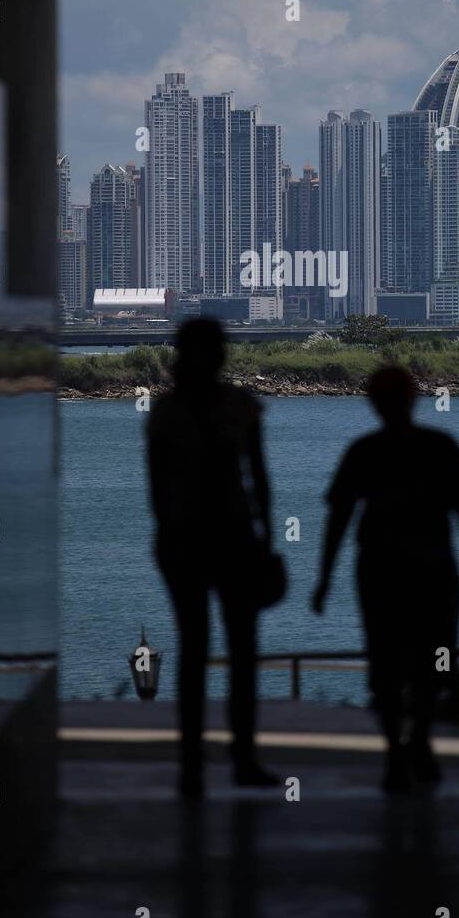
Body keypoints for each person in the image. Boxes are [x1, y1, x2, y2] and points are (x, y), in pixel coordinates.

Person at [311, 365, 459, 792]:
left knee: (385, 662)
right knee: (434, 660)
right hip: (433, 570)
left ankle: (396, 751)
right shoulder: (441, 446)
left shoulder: (364, 451)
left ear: (372, 403)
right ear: (415, 398)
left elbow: (338, 518)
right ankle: (420, 742)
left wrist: (324, 579)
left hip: (380, 572)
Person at [146, 318, 279, 797]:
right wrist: (265, 541)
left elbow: (157, 489)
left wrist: (164, 539)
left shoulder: (164, 412)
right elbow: (260, 481)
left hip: (183, 539)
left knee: (193, 652)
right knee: (242, 653)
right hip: (234, 537)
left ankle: (192, 767)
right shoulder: (241, 407)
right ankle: (242, 757)